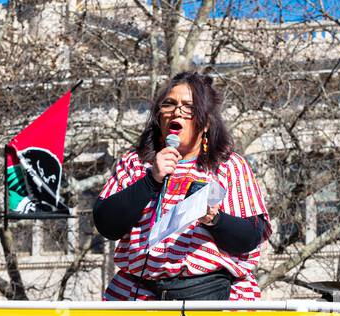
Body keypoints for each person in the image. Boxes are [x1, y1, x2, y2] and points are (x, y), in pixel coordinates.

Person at [95, 71, 271, 301]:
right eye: (169, 104)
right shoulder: (135, 164)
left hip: (210, 296)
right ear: (159, 117)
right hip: (137, 295)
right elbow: (106, 224)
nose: (177, 111)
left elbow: (250, 236)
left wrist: (214, 220)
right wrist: (151, 180)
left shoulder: (228, 166)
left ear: (206, 123)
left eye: (189, 106)